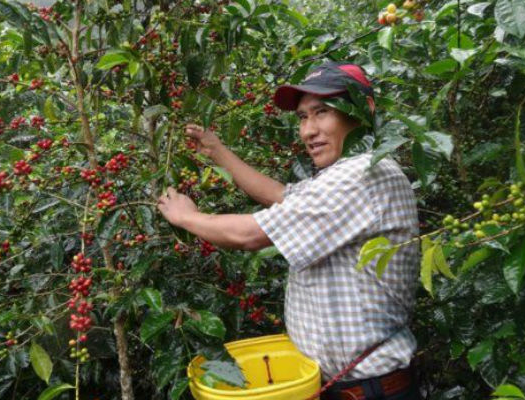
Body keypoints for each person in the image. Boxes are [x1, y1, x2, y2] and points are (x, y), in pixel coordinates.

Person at [157, 61, 422, 400]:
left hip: (369, 390)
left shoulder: (363, 174)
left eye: (321, 112)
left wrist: (187, 217)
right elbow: (283, 197)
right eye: (302, 117)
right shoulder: (342, 176)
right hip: (345, 386)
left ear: (363, 110)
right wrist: (218, 152)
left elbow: (250, 234)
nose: (308, 131)